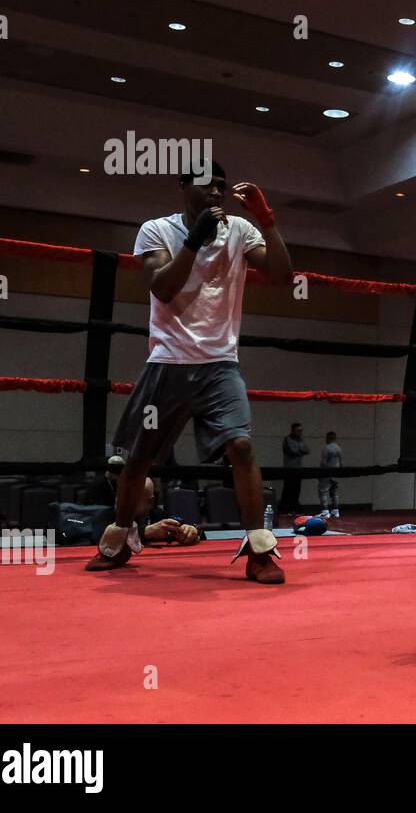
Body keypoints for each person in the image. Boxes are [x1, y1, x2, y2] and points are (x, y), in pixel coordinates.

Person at [84, 160, 293, 584]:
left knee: (242, 446)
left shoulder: (239, 229)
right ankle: (119, 540)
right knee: (138, 459)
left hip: (220, 364)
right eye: (207, 185)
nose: (216, 193)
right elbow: (162, 286)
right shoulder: (155, 230)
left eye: (222, 186)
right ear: (183, 186)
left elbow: (283, 276)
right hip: (170, 361)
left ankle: (258, 551)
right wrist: (194, 241)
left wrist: (266, 220)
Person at [280, 423, 309, 513]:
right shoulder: (287, 439)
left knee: (297, 489)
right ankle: (284, 508)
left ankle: (294, 507)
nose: (300, 433)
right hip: (289, 468)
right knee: (288, 489)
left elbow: (307, 450)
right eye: (298, 431)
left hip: (298, 468)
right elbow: (293, 451)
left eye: (301, 431)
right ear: (292, 430)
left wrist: (300, 450)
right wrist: (301, 450)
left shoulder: (301, 440)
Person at [317, 430, 343, 520]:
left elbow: (324, 462)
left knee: (323, 491)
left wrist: (320, 473)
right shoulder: (339, 449)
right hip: (336, 473)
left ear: (328, 438)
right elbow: (341, 463)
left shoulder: (327, 448)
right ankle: (335, 511)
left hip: (327, 472)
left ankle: (325, 511)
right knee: (334, 492)